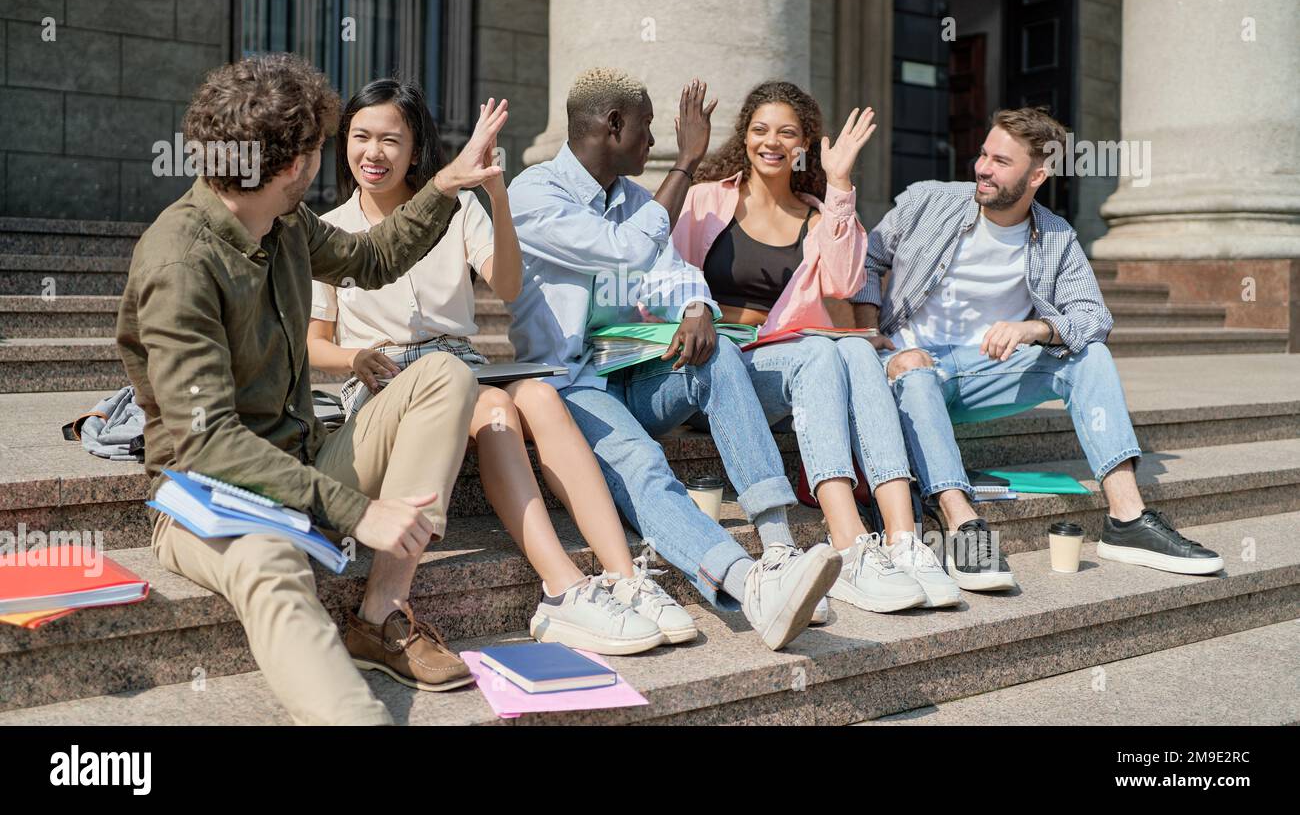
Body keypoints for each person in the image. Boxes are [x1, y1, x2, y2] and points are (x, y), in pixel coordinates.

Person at [116, 54, 505, 725]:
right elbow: (208, 444)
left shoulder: (288, 223)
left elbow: (373, 257)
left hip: (300, 465)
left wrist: (446, 181)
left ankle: (381, 612)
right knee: (271, 565)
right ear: (294, 166)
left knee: (445, 372)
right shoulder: (180, 262)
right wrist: (359, 511)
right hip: (209, 497)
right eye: (323, 149)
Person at [307, 79, 691, 655]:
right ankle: (563, 589)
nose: (374, 153)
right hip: (383, 381)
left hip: (461, 361)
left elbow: (507, 284)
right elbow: (314, 343)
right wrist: (354, 356)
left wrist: (498, 197)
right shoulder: (329, 228)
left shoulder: (456, 207)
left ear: (417, 149)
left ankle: (626, 578)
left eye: (391, 139)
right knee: (495, 404)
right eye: (361, 137)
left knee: (537, 395)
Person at [507, 68, 843, 652]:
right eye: (647, 130)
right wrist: (687, 164)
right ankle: (749, 586)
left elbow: (671, 270)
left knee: (717, 359)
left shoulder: (634, 200)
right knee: (643, 465)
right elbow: (622, 250)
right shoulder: (534, 193)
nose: (654, 143)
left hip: (631, 370)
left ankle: (779, 547)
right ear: (613, 126)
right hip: (569, 383)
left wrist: (696, 306)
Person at [849, 106, 1224, 589]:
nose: (983, 168)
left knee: (1091, 356)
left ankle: (1127, 519)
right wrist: (871, 335)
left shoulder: (1056, 235)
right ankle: (962, 520)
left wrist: (1036, 329)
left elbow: (1094, 319)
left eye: (1001, 162)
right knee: (918, 372)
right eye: (983, 154)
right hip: (912, 368)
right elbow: (866, 258)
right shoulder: (928, 201)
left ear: (1037, 175)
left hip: (987, 371)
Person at [674, 81, 960, 613]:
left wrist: (840, 183)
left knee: (849, 349)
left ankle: (901, 540)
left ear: (805, 141)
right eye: (760, 129)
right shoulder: (706, 201)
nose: (771, 141)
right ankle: (850, 543)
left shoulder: (816, 213)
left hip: (792, 369)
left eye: (787, 132)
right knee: (832, 350)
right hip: (720, 368)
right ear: (744, 137)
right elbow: (666, 275)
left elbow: (849, 279)